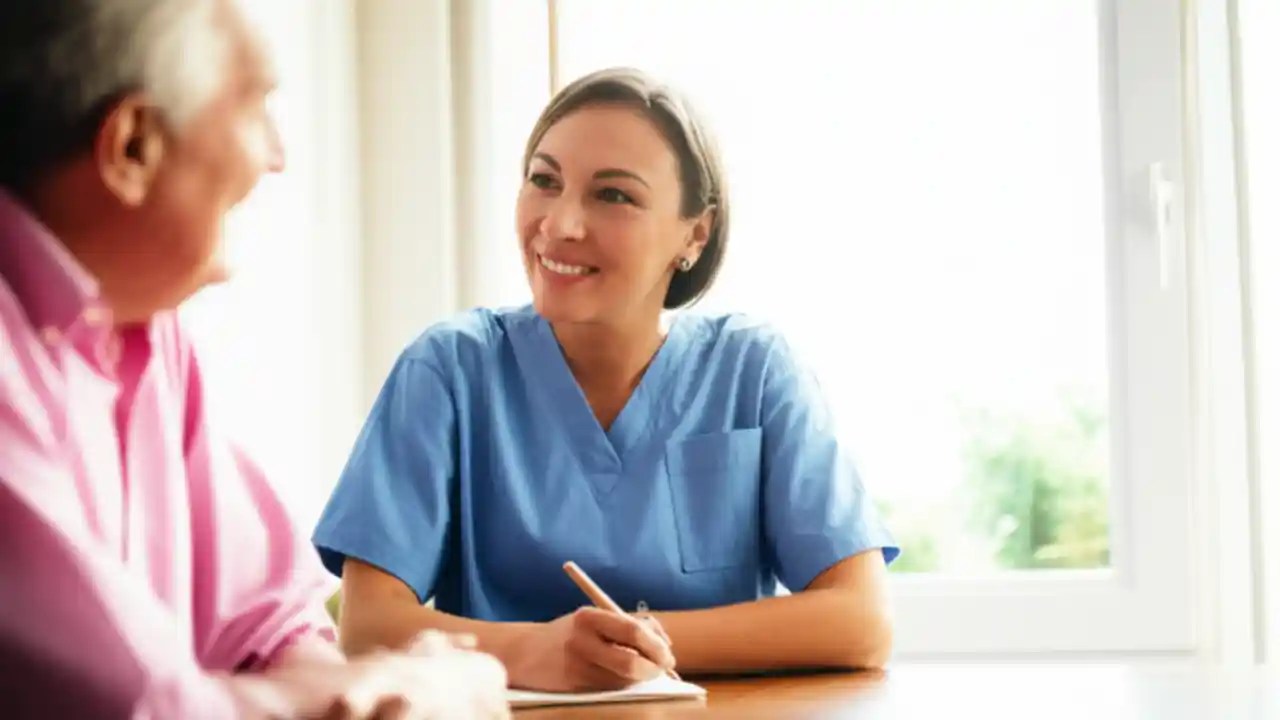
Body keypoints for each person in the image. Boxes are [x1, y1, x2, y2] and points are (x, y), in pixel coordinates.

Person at [313, 67, 899, 693]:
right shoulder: (450, 370)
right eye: (544, 181)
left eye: (613, 196)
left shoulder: (753, 372)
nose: (561, 224)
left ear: (694, 233)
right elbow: (369, 625)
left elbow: (861, 622)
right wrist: (539, 650)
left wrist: (634, 643)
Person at [0, 1, 508, 717]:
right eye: (254, 106)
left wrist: (362, 693)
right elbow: (139, 707)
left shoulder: (149, 330)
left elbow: (270, 621)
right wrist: (421, 685)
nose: (277, 155)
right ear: (133, 146)